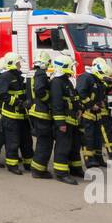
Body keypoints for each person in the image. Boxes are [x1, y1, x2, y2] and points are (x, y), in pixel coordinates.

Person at [0, 52, 29, 174]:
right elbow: (0, 95)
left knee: (6, 137)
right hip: (1, 112)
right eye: (18, 63)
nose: (20, 65)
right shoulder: (3, 78)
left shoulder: (11, 77)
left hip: (6, 112)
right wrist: (17, 102)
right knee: (2, 137)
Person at [47, 52, 82, 184]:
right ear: (63, 67)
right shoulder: (56, 82)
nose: (72, 69)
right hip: (64, 121)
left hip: (72, 120)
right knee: (63, 146)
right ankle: (61, 173)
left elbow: (73, 98)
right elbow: (56, 104)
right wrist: (60, 122)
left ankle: (75, 168)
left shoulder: (66, 81)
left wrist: (78, 109)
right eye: (70, 66)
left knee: (74, 145)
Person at [27, 50, 56, 179]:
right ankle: (38, 170)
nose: (50, 64)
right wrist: (49, 98)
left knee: (42, 142)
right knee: (45, 142)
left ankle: (38, 168)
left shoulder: (34, 73)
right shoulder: (41, 74)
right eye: (49, 62)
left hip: (37, 112)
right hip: (42, 113)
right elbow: (40, 91)